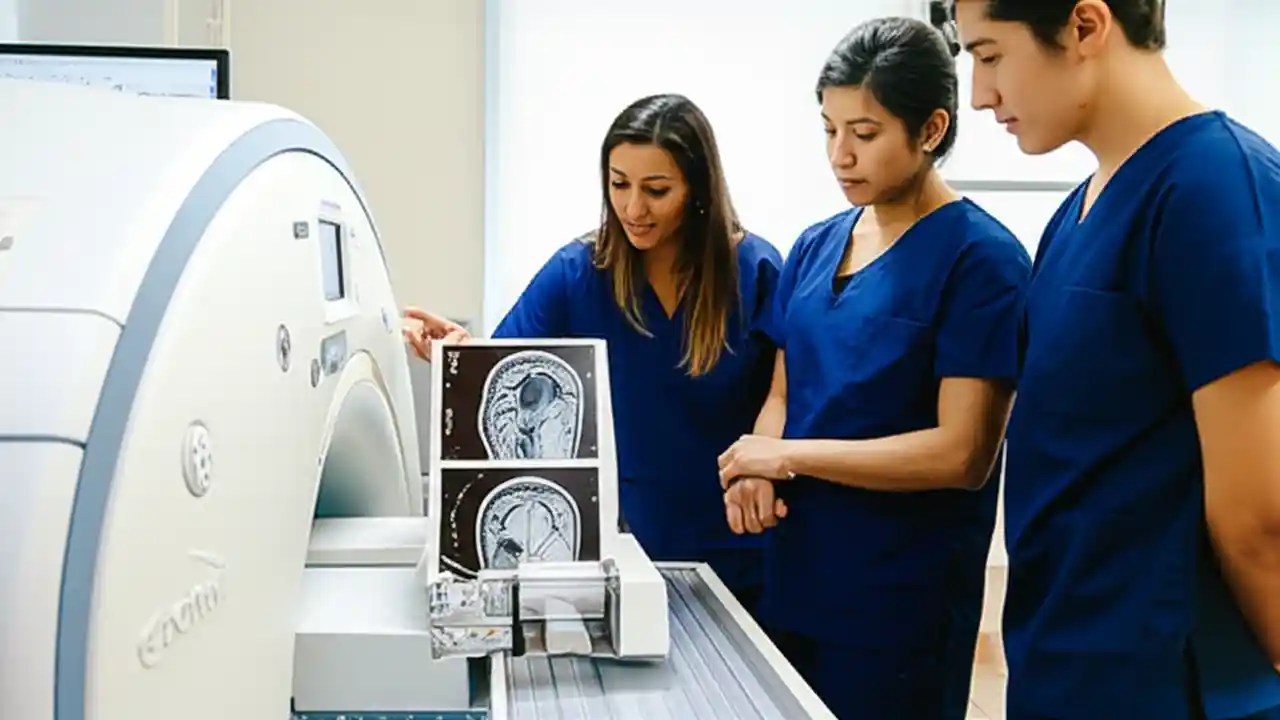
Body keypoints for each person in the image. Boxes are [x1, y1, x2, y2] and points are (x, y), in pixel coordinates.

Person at [950, 1, 1280, 718]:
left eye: (990, 54)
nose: (978, 93)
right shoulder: (1074, 216)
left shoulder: (1216, 187)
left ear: (1086, 26)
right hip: (1065, 666)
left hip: (1169, 683)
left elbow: (1259, 516)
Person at [716, 17, 1031, 720]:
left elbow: (962, 453)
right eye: (829, 130)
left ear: (930, 129)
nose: (840, 155)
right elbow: (783, 390)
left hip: (898, 603)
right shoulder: (815, 244)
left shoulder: (981, 262)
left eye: (864, 134)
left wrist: (787, 456)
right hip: (796, 575)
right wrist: (759, 468)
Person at [405, 93, 783, 613]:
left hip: (744, 542)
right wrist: (460, 351)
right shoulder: (579, 271)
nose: (633, 208)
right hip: (629, 552)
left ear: (696, 189)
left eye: (656, 190)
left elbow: (786, 395)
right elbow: (510, 369)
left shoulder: (755, 271)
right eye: (619, 184)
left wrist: (763, 464)